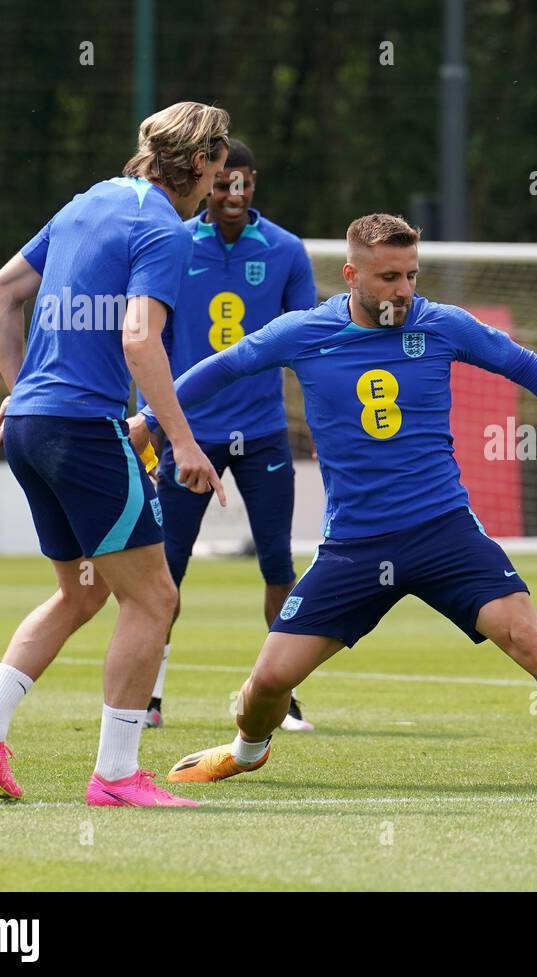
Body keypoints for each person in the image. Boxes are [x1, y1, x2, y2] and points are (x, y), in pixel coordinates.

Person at [135, 214, 537, 794]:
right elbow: (224, 366)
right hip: (354, 547)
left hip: (444, 531)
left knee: (529, 639)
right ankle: (247, 750)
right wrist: (150, 419)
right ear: (351, 274)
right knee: (266, 684)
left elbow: (522, 363)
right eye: (388, 278)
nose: (404, 290)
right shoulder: (304, 331)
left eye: (411, 275)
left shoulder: (443, 326)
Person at [0, 102, 230, 807]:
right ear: (199, 161)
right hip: (81, 433)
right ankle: (115, 775)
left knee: (80, 591)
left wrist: (26, 393)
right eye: (219, 163)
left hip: (33, 429)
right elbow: (140, 340)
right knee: (155, 598)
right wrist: (183, 440)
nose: (220, 181)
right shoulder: (164, 228)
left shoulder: (88, 202)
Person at [135, 139, 318, 731]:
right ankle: (150, 696)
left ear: (253, 183)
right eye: (221, 184)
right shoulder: (174, 241)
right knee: (168, 566)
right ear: (206, 182)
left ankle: (280, 698)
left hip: (262, 430)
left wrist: (319, 418)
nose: (231, 195)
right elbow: (149, 338)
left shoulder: (288, 251)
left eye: (242, 184)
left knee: (277, 563)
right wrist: (151, 417)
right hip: (187, 429)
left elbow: (308, 348)